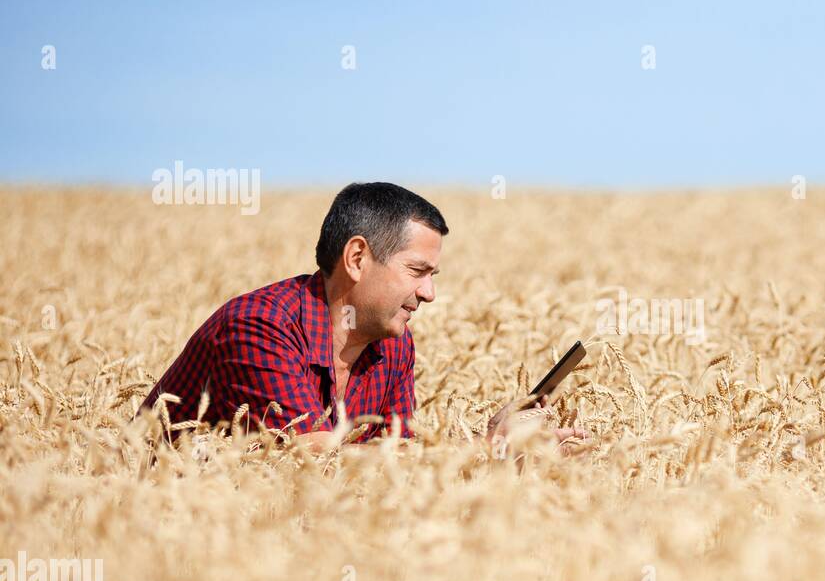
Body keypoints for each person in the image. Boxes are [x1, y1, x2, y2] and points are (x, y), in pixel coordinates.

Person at [137, 181, 585, 455]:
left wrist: (509, 450)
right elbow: (315, 461)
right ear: (356, 258)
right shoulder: (259, 328)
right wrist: (486, 450)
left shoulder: (392, 344)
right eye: (417, 272)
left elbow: (393, 469)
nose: (429, 293)